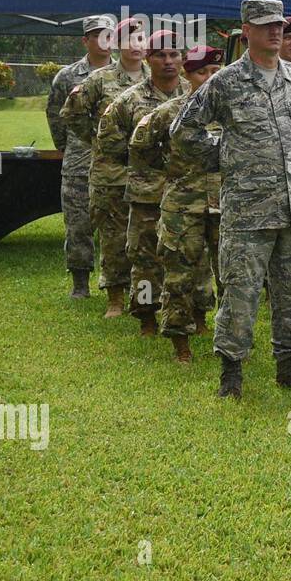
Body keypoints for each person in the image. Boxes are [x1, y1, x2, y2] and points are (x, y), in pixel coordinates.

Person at [171, 0, 291, 399]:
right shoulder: (226, 82)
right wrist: (223, 157)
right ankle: (231, 371)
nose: (275, 31)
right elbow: (183, 129)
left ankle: (290, 364)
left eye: (279, 24)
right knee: (240, 292)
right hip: (247, 210)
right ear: (246, 31)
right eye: (265, 25)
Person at [130, 46, 224, 362]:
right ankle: (179, 343)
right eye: (202, 72)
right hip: (183, 206)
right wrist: (171, 170)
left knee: (231, 276)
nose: (210, 78)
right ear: (187, 74)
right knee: (179, 276)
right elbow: (140, 146)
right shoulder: (171, 112)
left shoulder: (236, 112)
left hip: (227, 205)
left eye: (215, 72)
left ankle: (228, 340)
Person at [99, 30, 188, 336]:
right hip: (147, 195)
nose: (168, 61)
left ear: (182, 58)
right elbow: (109, 143)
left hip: (187, 195)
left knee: (187, 257)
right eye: (160, 55)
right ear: (149, 60)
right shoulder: (130, 100)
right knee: (146, 260)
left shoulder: (194, 96)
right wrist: (141, 168)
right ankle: (147, 317)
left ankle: (192, 315)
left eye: (174, 54)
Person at [61, 17, 147, 317]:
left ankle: (146, 295)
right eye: (130, 40)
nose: (136, 46)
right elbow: (71, 113)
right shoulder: (100, 79)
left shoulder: (157, 76)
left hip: (149, 173)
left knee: (147, 235)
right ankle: (115, 298)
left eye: (141, 39)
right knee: (113, 234)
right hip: (111, 172)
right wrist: (98, 141)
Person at [46, 14, 114, 298]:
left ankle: (118, 284)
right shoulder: (68, 75)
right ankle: (80, 283)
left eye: (108, 34)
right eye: (97, 35)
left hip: (116, 162)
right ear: (85, 40)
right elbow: (55, 113)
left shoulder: (132, 73)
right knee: (78, 224)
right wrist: (66, 146)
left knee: (118, 226)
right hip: (79, 161)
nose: (103, 40)